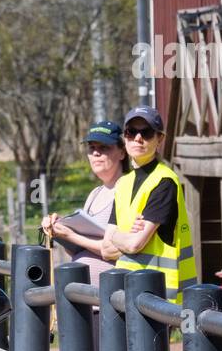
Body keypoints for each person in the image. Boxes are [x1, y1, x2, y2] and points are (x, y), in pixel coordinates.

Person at [101, 106, 197, 304]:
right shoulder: (123, 184)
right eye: (131, 132)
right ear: (124, 138)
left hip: (157, 295)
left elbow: (134, 244)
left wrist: (118, 235)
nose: (138, 138)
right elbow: (105, 249)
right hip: (126, 290)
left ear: (159, 139)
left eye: (146, 132)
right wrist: (126, 236)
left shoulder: (165, 181)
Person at [41, 120, 125, 286]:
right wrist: (59, 230)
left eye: (104, 148)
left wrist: (71, 235)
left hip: (110, 299)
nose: (96, 154)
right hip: (82, 298)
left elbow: (116, 251)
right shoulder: (95, 194)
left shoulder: (127, 190)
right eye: (92, 148)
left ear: (122, 152)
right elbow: (77, 249)